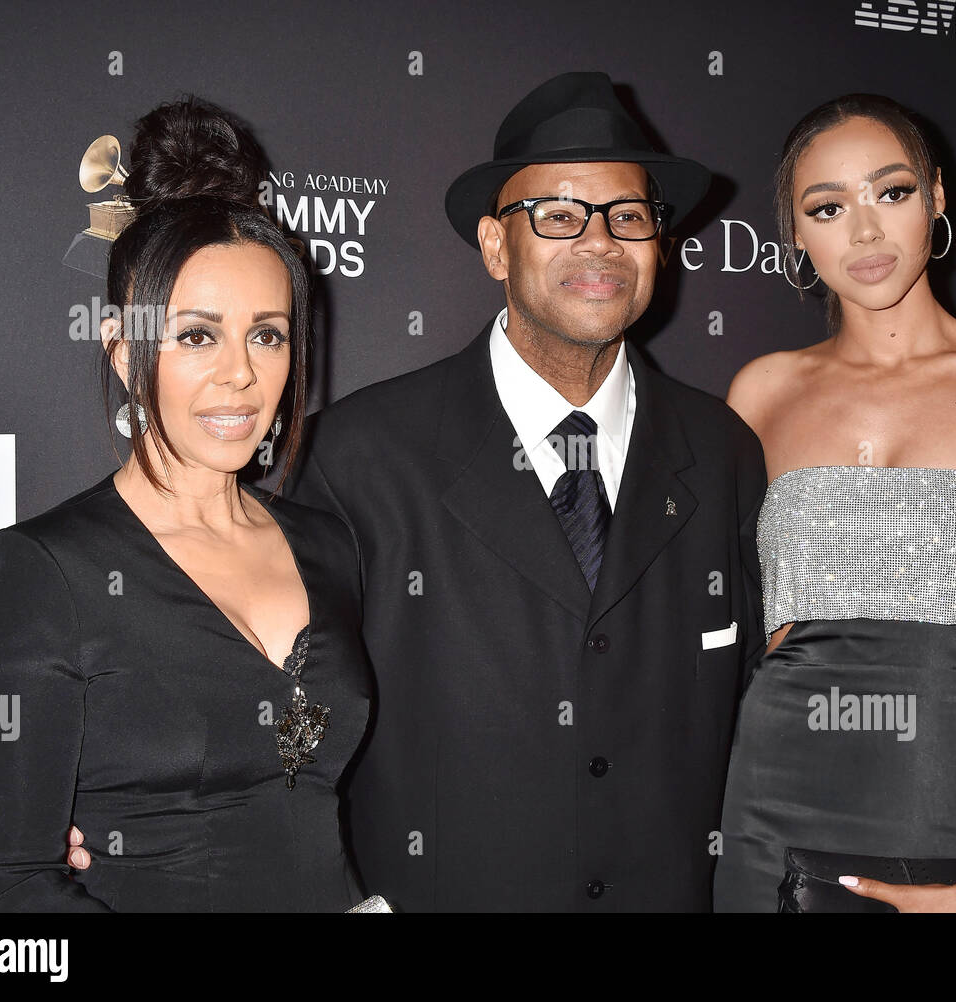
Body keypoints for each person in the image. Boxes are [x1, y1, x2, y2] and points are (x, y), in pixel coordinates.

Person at [282, 72, 766, 911]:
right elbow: (297, 721)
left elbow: (765, 707)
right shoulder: (358, 455)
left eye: (628, 215)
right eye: (558, 215)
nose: (599, 242)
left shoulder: (722, 450)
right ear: (497, 246)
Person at [0, 97, 373, 911]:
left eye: (269, 334)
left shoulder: (327, 545)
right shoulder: (44, 571)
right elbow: (8, 896)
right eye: (196, 335)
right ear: (125, 351)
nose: (241, 375)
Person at [713, 94, 956, 912]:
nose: (863, 231)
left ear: (936, 198)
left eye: (890, 193)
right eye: (828, 207)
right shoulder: (761, 392)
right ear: (795, 234)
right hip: (766, 821)